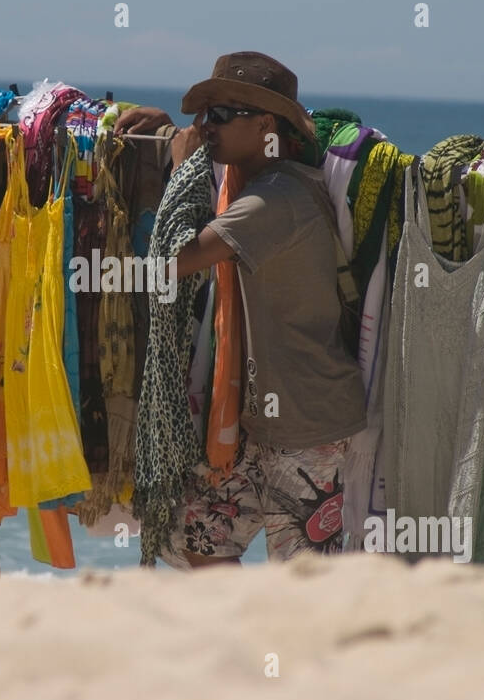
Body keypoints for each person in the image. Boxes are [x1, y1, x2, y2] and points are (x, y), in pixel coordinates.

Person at [117, 52, 368, 567]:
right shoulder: (246, 187)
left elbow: (171, 261)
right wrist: (174, 137)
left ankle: (284, 645)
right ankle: (256, 640)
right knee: (189, 538)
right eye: (203, 115)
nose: (207, 127)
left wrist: (182, 161)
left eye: (222, 115)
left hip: (311, 430)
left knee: (305, 582)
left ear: (265, 126)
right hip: (259, 425)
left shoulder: (273, 201)